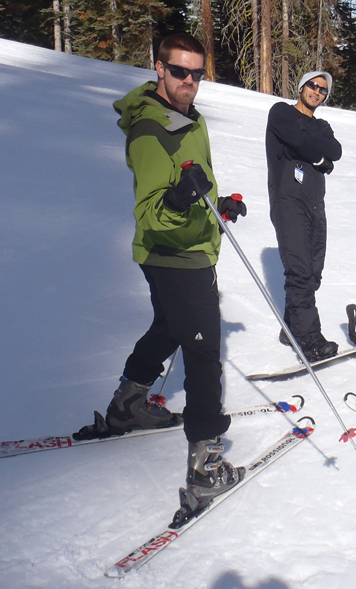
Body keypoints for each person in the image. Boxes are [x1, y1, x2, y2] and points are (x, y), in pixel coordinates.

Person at [80, 33, 248, 524]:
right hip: (177, 256)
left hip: (185, 247)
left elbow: (189, 182)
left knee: (170, 327)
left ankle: (128, 403)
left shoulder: (186, 118)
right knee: (202, 353)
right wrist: (178, 202)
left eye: (197, 73)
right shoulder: (152, 130)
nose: (189, 81)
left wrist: (218, 206)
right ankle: (205, 467)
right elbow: (153, 211)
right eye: (179, 71)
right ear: (159, 68)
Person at [265, 71, 343, 361]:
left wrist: (317, 151)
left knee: (312, 270)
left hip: (314, 205)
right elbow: (300, 140)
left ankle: (291, 327)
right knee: (299, 270)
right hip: (288, 201)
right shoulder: (281, 112)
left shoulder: (322, 124)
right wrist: (319, 159)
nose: (317, 92)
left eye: (323, 90)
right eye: (313, 85)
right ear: (301, 87)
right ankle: (309, 338)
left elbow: (336, 150)